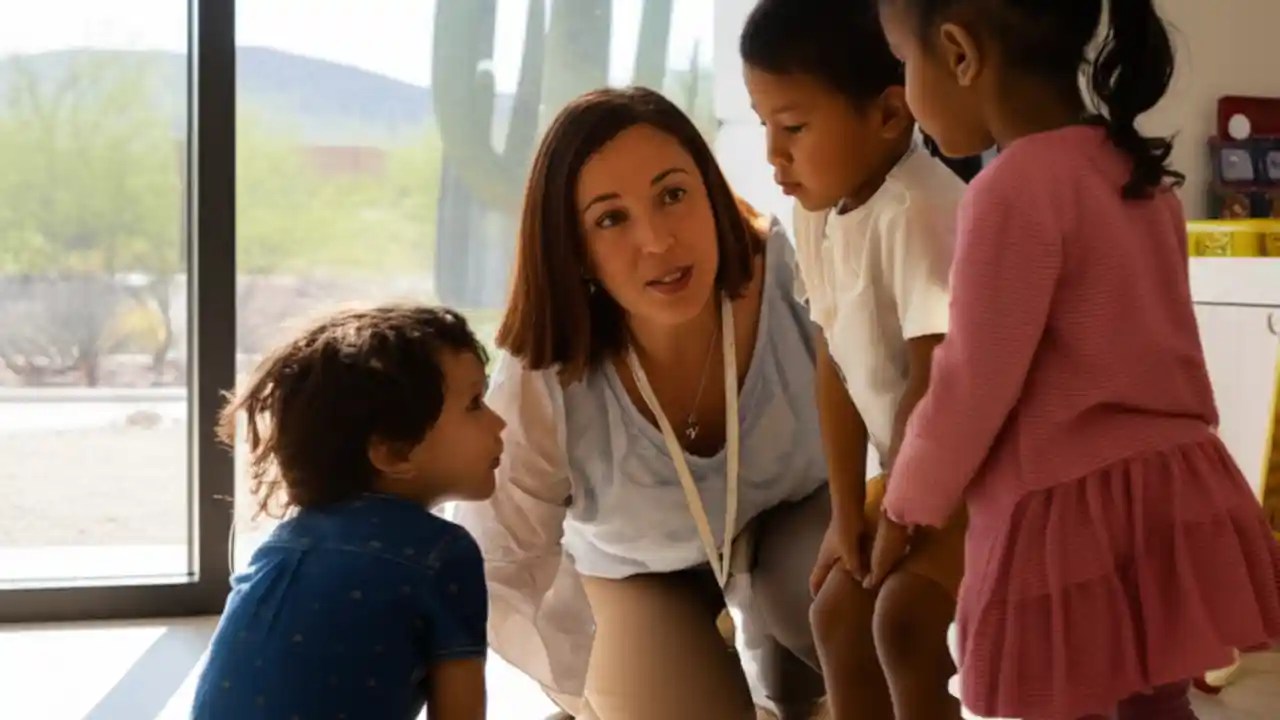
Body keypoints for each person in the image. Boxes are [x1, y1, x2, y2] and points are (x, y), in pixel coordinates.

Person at [875, 0, 1280, 717]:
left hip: (1067, 514)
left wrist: (906, 503)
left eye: (905, 63)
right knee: (1156, 704)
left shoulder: (1009, 190)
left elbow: (973, 385)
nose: (907, 92)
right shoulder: (1137, 171)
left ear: (959, 53)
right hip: (1173, 492)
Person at [452, 87, 830, 720]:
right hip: (636, 573)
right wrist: (584, 690)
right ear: (574, 249)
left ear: (709, 192)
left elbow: (909, 408)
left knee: (856, 632)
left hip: (795, 537)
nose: (657, 241)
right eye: (611, 219)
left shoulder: (791, 275)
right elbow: (499, 559)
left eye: (673, 195)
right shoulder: (548, 372)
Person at [741, 2, 968, 718]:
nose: (774, 154)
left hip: (976, 474)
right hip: (903, 475)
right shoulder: (815, 213)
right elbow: (834, 368)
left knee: (903, 620)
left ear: (890, 115)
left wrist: (897, 515)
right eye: (763, 125)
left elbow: (936, 381)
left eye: (794, 127)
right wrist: (847, 515)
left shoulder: (921, 210)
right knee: (837, 613)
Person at [192, 305, 505, 720]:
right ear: (393, 452)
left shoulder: (283, 542)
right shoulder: (442, 553)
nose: (500, 423)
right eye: (475, 403)